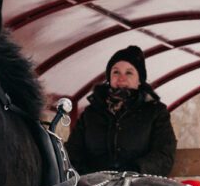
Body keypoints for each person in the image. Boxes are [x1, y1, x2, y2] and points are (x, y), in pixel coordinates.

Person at [66, 46, 177, 176]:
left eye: (129, 73)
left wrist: (135, 171)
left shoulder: (155, 112)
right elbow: (73, 152)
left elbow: (164, 154)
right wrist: (88, 175)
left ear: (140, 80)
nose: (121, 78)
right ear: (109, 78)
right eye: (116, 72)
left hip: (140, 184)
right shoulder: (90, 114)